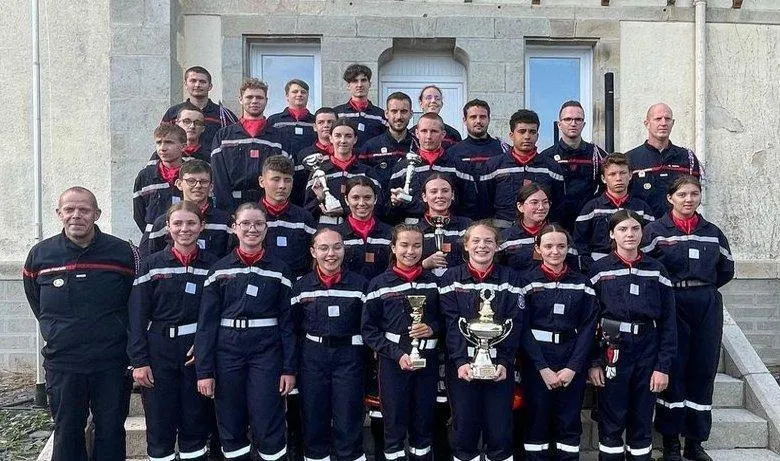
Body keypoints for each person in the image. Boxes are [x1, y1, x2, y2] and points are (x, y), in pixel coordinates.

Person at [23, 187, 136, 461]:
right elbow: (36, 300)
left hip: (111, 362)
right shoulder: (41, 255)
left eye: (84, 210)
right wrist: (58, 331)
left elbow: (135, 302)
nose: (76, 216)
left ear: (97, 214)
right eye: (69, 209)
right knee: (67, 431)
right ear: (59, 213)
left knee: (110, 430)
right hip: (64, 363)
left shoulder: (122, 253)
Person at [641, 176, 734, 461]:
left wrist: (702, 290)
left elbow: (726, 269)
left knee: (703, 371)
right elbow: (644, 266)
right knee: (674, 370)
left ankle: (695, 442)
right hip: (672, 303)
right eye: (682, 194)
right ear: (670, 198)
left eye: (694, 194)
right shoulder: (655, 231)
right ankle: (670, 443)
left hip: (706, 303)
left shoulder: (712, 232)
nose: (688, 199)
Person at [195, 203, 296, 461]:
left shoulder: (280, 270)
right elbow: (206, 325)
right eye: (245, 224)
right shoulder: (218, 270)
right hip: (228, 352)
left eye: (258, 224)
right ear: (234, 227)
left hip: (266, 353)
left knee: (267, 416)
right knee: (230, 418)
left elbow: (287, 323)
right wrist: (204, 371)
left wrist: (288, 368)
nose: (252, 229)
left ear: (266, 228)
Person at [128, 201, 219, 461]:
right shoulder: (151, 264)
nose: (184, 229)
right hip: (159, 351)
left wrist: (204, 347)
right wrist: (139, 361)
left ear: (202, 226)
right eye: (177, 223)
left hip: (194, 353)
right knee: (159, 424)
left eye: (191, 223)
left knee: (195, 422)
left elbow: (214, 314)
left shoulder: (212, 266)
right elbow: (137, 314)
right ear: (167, 227)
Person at [588, 209, 676, 461]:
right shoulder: (599, 270)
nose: (630, 234)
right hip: (612, 350)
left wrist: (663, 367)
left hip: (647, 348)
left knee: (641, 418)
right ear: (612, 234)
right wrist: (594, 362)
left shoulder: (656, 269)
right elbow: (588, 320)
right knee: (611, 419)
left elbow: (669, 322)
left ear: (642, 233)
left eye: (635, 229)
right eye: (623, 229)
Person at [439, 221, 525, 461]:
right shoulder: (451, 278)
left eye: (488, 241)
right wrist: (460, 361)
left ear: (497, 246)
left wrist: (505, 362)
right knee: (464, 431)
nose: (482, 246)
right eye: (476, 240)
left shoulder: (511, 279)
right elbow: (450, 324)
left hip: (499, 367)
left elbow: (514, 324)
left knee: (500, 431)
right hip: (464, 367)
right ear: (465, 245)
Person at [362, 224, 441, 461]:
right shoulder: (379, 284)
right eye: (404, 245)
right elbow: (369, 330)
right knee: (394, 424)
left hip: (427, 361)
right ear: (393, 247)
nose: (410, 251)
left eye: (417, 245)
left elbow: (446, 320)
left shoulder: (434, 282)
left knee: (423, 421)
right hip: (393, 362)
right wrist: (396, 354)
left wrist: (432, 328)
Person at [519, 224, 597, 461]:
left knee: (569, 421)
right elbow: (522, 327)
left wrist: (573, 367)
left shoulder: (582, 283)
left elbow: (589, 327)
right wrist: (541, 368)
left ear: (568, 249)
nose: (555, 251)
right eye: (549, 246)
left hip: (571, 359)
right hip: (537, 360)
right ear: (538, 249)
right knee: (536, 419)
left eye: (561, 246)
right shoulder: (526, 283)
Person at [291, 228, 369, 461]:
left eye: (337, 247)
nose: (331, 254)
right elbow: (293, 327)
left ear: (344, 249)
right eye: (323, 248)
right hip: (312, 357)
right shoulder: (302, 286)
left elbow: (368, 325)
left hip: (350, 356)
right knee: (314, 416)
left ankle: (351, 455)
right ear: (313, 251)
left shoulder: (360, 285)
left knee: (349, 415)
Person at [211, 78, 288, 212]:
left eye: (259, 97)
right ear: (240, 99)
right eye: (249, 97)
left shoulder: (279, 138)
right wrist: (227, 211)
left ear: (266, 101)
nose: (254, 101)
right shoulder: (223, 136)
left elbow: (285, 175)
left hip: (268, 207)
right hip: (232, 206)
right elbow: (218, 177)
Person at [481, 110, 566, 228]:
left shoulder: (551, 167)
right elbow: (484, 203)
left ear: (537, 135)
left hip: (541, 233)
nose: (527, 136)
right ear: (511, 135)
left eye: (532, 132)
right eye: (522, 131)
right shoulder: (494, 165)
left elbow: (558, 205)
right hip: (502, 232)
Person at [387, 113, 478, 222]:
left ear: (443, 134)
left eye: (434, 131)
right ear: (416, 133)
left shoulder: (459, 167)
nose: (428, 136)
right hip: (412, 230)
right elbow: (389, 206)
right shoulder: (402, 167)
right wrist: (395, 203)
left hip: (450, 228)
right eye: (424, 131)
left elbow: (470, 205)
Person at [573, 153, 654, 273]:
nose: (618, 178)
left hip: (635, 269)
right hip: (599, 270)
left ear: (630, 175)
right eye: (612, 174)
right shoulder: (592, 208)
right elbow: (579, 243)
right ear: (603, 178)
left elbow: (649, 241)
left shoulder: (642, 208)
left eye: (623, 173)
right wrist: (592, 268)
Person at [141, 160, 233, 258]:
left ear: (211, 187)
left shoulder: (225, 221)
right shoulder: (163, 222)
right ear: (179, 184)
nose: (198, 186)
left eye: (204, 182)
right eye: (191, 181)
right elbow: (153, 260)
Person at [541, 100, 607, 231]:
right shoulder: (546, 157)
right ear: (559, 124)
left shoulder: (598, 155)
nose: (573, 123)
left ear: (584, 124)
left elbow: (608, 189)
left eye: (578, 119)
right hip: (556, 225)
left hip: (590, 225)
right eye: (568, 119)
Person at [626, 103, 701, 218]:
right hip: (643, 229)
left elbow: (695, 193)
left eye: (667, 119)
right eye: (658, 119)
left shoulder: (687, 158)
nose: (663, 123)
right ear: (647, 124)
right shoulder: (630, 159)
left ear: (673, 123)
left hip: (677, 231)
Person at [304, 119, 380, 226]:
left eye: (348, 136)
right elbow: (307, 210)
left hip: (357, 234)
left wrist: (344, 211)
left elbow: (378, 206)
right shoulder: (319, 172)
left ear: (355, 139)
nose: (343, 140)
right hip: (328, 234)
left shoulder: (367, 172)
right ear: (330, 138)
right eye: (338, 136)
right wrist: (319, 199)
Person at [259, 155, 317, 279]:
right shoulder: (250, 217)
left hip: (296, 286)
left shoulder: (305, 219)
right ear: (262, 182)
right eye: (275, 179)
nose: (282, 186)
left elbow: (314, 258)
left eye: (287, 180)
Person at [499, 183, 578, 273]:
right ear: (520, 206)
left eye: (545, 202)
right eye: (534, 202)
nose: (541, 207)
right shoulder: (505, 237)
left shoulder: (560, 235)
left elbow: (573, 271)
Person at [162, 66, 238, 150]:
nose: (197, 85)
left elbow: (235, 144)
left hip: (213, 161)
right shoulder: (173, 113)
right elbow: (162, 140)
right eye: (193, 81)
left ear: (210, 86)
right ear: (185, 85)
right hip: (180, 162)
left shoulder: (224, 115)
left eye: (202, 82)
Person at [335, 176, 393, 281]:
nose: (361, 203)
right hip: (348, 293)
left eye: (367, 197)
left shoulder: (390, 233)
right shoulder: (335, 235)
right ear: (346, 200)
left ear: (375, 199)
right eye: (355, 198)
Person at [134, 124, 185, 234]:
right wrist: (152, 232)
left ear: (183, 146)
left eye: (169, 142)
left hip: (185, 235)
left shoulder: (191, 175)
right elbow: (139, 214)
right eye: (159, 142)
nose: (163, 148)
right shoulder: (145, 176)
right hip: (153, 237)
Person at [417, 173, 471, 277]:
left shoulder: (467, 225)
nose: (440, 196)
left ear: (452, 195)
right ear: (424, 197)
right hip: (427, 286)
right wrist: (423, 264)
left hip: (459, 285)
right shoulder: (415, 230)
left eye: (445, 191)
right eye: (433, 192)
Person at [359, 92, 415, 186]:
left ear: (411, 114)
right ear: (386, 113)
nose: (399, 117)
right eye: (394, 111)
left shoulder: (418, 145)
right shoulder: (370, 147)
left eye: (404, 111)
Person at [334, 64, 387, 149]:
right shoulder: (337, 113)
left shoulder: (380, 115)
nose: (359, 85)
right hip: (345, 160)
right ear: (348, 85)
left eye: (363, 80)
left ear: (370, 84)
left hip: (371, 161)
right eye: (355, 81)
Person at [293, 107, 337, 206]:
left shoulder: (345, 152)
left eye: (330, 122)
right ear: (314, 127)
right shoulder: (304, 154)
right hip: (312, 207)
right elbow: (300, 183)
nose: (326, 125)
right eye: (321, 122)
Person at [447, 99, 504, 174]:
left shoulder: (502, 150)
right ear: (465, 120)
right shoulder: (453, 153)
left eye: (482, 117)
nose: (478, 121)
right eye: (473, 117)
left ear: (489, 119)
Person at [268, 79, 317, 164]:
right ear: (287, 96)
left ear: (308, 96)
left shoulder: (315, 121)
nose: (299, 94)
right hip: (282, 171)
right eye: (295, 92)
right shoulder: (274, 121)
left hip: (309, 172)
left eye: (303, 92)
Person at [410, 85, 462, 149]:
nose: (433, 101)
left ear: (441, 104)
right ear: (421, 104)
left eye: (437, 99)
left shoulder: (453, 135)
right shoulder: (411, 134)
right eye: (428, 98)